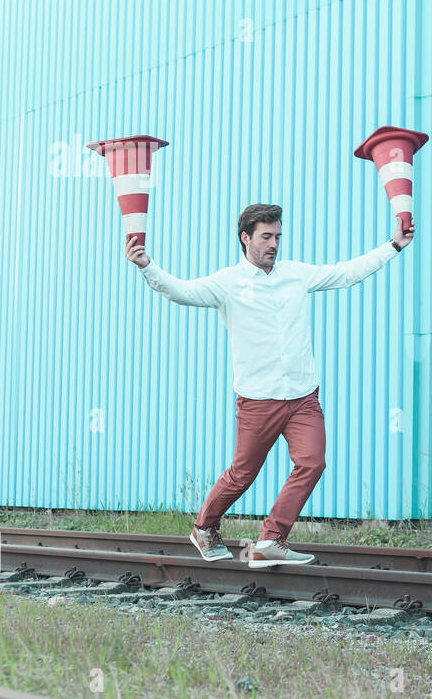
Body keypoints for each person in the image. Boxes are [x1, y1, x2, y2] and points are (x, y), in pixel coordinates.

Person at [125, 203, 413, 567]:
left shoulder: (295, 274)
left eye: (278, 236)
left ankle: (270, 540)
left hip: (303, 396)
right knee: (242, 474)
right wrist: (146, 266)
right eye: (266, 236)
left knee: (312, 462)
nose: (274, 243)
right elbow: (181, 291)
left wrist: (393, 245)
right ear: (246, 238)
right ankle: (203, 527)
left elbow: (345, 273)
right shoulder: (226, 283)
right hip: (258, 399)